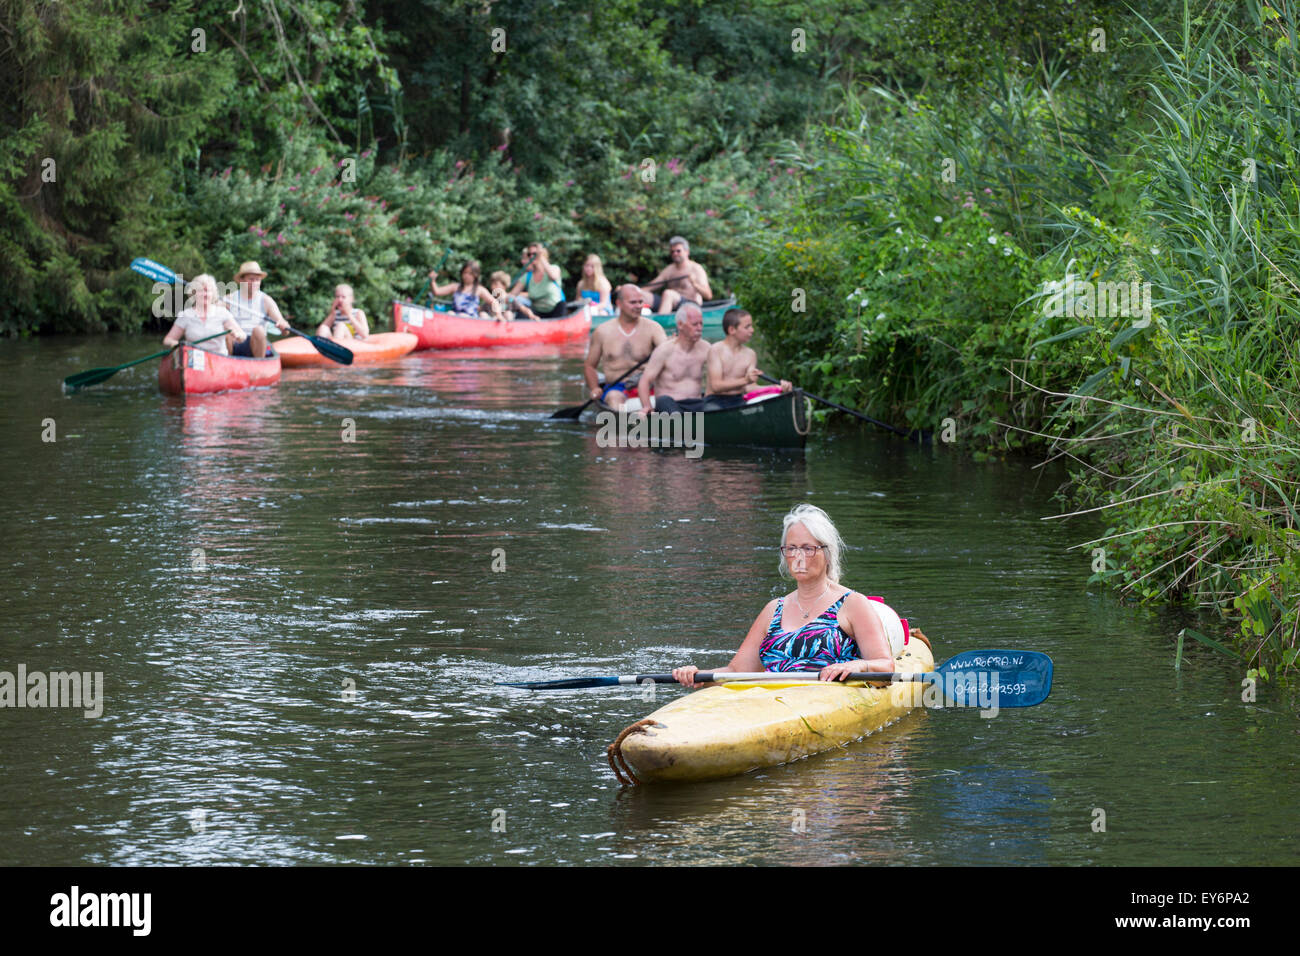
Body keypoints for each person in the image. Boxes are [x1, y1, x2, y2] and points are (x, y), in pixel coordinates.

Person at [672, 503, 901, 687]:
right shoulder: (773, 609)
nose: (798, 557)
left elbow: (886, 667)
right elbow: (736, 671)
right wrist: (698, 674)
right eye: (791, 549)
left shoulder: (852, 604)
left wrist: (858, 666)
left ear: (828, 554)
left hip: (827, 702)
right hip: (771, 703)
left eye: (808, 548)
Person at [583, 284, 667, 411]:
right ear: (619, 303)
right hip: (617, 387)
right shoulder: (602, 331)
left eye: (640, 302)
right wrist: (595, 388)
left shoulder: (654, 328)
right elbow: (589, 366)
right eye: (633, 302)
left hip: (647, 385)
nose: (638, 306)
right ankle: (621, 426)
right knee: (613, 398)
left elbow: (669, 356)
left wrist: (673, 344)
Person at [705, 308, 791, 408]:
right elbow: (716, 386)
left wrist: (777, 388)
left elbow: (750, 387)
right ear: (732, 330)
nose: (752, 330)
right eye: (747, 327)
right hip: (714, 400)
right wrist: (746, 380)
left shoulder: (750, 354)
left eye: (751, 326)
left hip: (738, 399)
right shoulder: (716, 350)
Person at [637, 303, 711, 414]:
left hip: (697, 404)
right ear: (680, 325)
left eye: (701, 324)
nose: (699, 328)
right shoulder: (664, 350)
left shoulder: (706, 348)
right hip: (671, 405)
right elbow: (645, 381)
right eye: (695, 324)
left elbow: (724, 372)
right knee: (663, 401)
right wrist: (647, 406)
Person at [163, 274, 246, 355]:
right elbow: (168, 340)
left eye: (207, 290)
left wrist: (238, 335)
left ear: (213, 293)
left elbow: (243, 336)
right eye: (200, 291)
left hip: (218, 359)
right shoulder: (185, 315)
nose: (204, 294)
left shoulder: (223, 313)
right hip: (194, 360)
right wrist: (176, 344)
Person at [222, 261, 291, 357]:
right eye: (251, 279)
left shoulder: (266, 301)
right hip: (234, 342)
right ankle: (227, 361)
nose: (254, 283)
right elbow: (213, 316)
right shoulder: (229, 299)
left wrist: (284, 327)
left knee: (259, 330)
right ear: (242, 280)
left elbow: (285, 331)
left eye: (257, 280)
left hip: (256, 345)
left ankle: (259, 364)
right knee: (225, 330)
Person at [641, 236, 712, 315]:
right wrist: (636, 292)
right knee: (641, 294)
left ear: (687, 252)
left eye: (678, 251)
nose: (675, 254)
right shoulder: (669, 269)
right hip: (670, 305)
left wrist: (694, 283)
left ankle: (660, 324)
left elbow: (708, 295)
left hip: (690, 305)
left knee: (668, 294)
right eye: (672, 252)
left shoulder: (696, 268)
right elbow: (652, 285)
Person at [429, 260, 503, 320]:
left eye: (470, 273)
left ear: (475, 275)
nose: (467, 276)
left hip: (470, 319)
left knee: (463, 315)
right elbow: (437, 291)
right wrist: (432, 281)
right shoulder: (455, 287)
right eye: (465, 273)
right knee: (450, 313)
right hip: (454, 317)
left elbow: (494, 302)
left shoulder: (479, 289)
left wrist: (498, 315)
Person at [508, 241, 566, 318]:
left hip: (555, 310)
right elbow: (512, 295)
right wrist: (509, 301)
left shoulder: (554, 268)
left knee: (561, 305)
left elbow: (553, 276)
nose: (532, 256)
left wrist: (540, 256)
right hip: (537, 312)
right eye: (529, 254)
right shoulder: (527, 276)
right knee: (522, 313)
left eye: (534, 254)